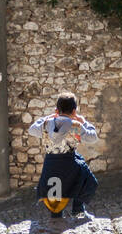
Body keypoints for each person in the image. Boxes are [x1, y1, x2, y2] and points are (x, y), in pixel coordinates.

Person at [29, 91, 98, 223]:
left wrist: (47, 118)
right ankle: (78, 210)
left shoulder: (46, 124)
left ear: (57, 110)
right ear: (74, 111)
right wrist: (84, 122)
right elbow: (92, 137)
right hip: (69, 163)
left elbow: (32, 129)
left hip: (51, 164)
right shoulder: (76, 125)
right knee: (89, 183)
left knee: (55, 197)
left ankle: (56, 221)